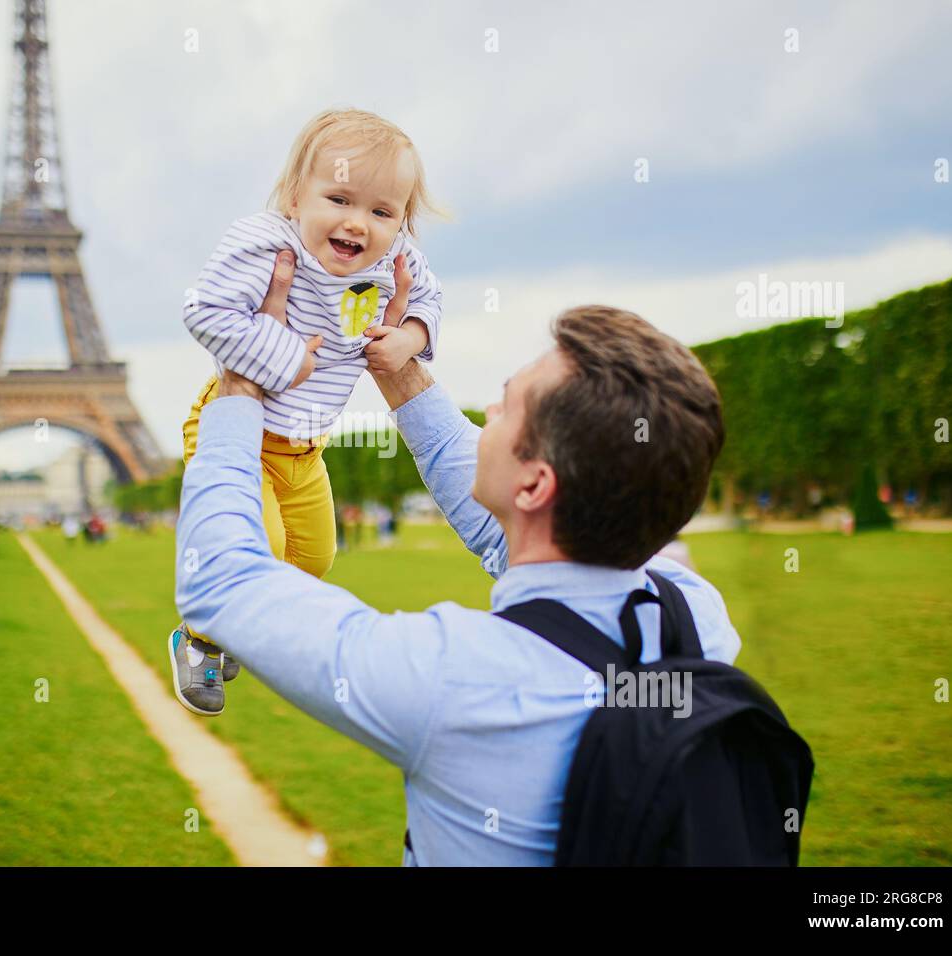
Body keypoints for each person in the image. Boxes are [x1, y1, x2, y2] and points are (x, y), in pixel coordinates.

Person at [174, 257, 741, 865]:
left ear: (533, 486)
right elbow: (514, 535)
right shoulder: (697, 614)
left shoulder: (447, 679)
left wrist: (240, 377)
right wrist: (396, 366)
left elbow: (224, 581)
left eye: (505, 407)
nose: (487, 418)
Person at [169, 108, 444, 717]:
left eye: (381, 211)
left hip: (306, 446)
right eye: (339, 198)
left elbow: (426, 299)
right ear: (295, 197)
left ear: (401, 222)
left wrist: (412, 338)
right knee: (255, 543)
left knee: (315, 559)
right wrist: (280, 354)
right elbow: (205, 309)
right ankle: (199, 640)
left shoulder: (396, 261)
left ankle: (233, 622)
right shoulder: (266, 241)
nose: (357, 224)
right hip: (236, 427)